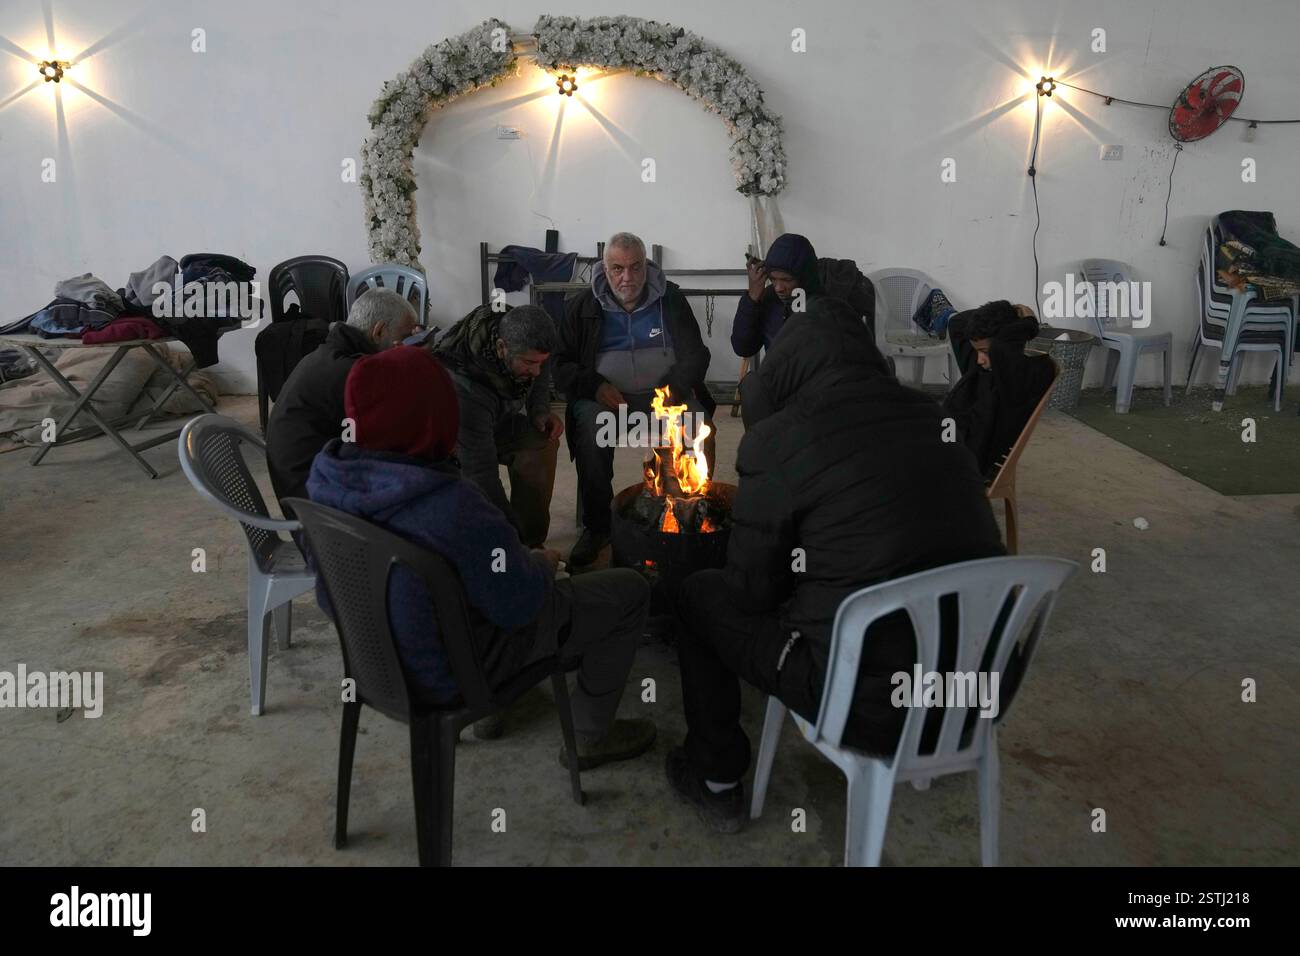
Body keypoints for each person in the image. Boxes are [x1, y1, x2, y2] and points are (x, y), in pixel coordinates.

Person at [666, 299, 1006, 833]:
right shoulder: (938, 419)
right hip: (978, 690)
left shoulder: (778, 440)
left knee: (699, 596)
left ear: (785, 372)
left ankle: (716, 779)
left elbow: (750, 594)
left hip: (863, 704)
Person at [306, 346, 656, 768]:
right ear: (434, 415)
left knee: (471, 586)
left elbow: (328, 594)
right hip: (451, 677)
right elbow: (521, 603)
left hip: (376, 665)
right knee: (626, 591)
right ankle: (588, 734)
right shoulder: (451, 506)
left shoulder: (326, 481)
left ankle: (496, 710)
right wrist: (541, 564)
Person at [554, 231, 716, 568]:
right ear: (605, 269)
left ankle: (688, 512)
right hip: (609, 401)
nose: (627, 277)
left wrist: (674, 389)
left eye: (635, 267)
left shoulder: (670, 299)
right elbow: (559, 365)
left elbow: (696, 355)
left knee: (698, 425)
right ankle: (597, 526)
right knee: (590, 427)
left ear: (647, 267)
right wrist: (595, 385)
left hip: (666, 397)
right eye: (617, 269)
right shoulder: (582, 307)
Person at [266, 289, 416, 505]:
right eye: (404, 338)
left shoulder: (327, 354)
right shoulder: (350, 372)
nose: (405, 346)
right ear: (379, 331)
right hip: (317, 509)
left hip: (306, 486)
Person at [434, 303, 562, 548]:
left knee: (540, 445)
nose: (536, 371)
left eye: (541, 362)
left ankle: (533, 544)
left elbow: (541, 371)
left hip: (495, 419)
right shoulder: (465, 382)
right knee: (482, 491)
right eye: (528, 363)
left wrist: (539, 411)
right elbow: (481, 473)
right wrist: (512, 536)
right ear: (502, 348)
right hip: (452, 433)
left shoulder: (521, 330)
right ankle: (510, 546)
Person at [943, 300, 1057, 480]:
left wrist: (1029, 322)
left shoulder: (1016, 381)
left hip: (963, 463)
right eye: (977, 351)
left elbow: (1001, 344)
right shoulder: (980, 368)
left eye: (985, 352)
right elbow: (957, 322)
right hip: (946, 442)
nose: (979, 359)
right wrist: (1011, 310)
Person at [730, 233, 825, 358]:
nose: (778, 288)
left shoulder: (824, 307)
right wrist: (751, 300)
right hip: (777, 376)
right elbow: (743, 348)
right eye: (773, 279)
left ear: (804, 278)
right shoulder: (769, 298)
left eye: (787, 280)